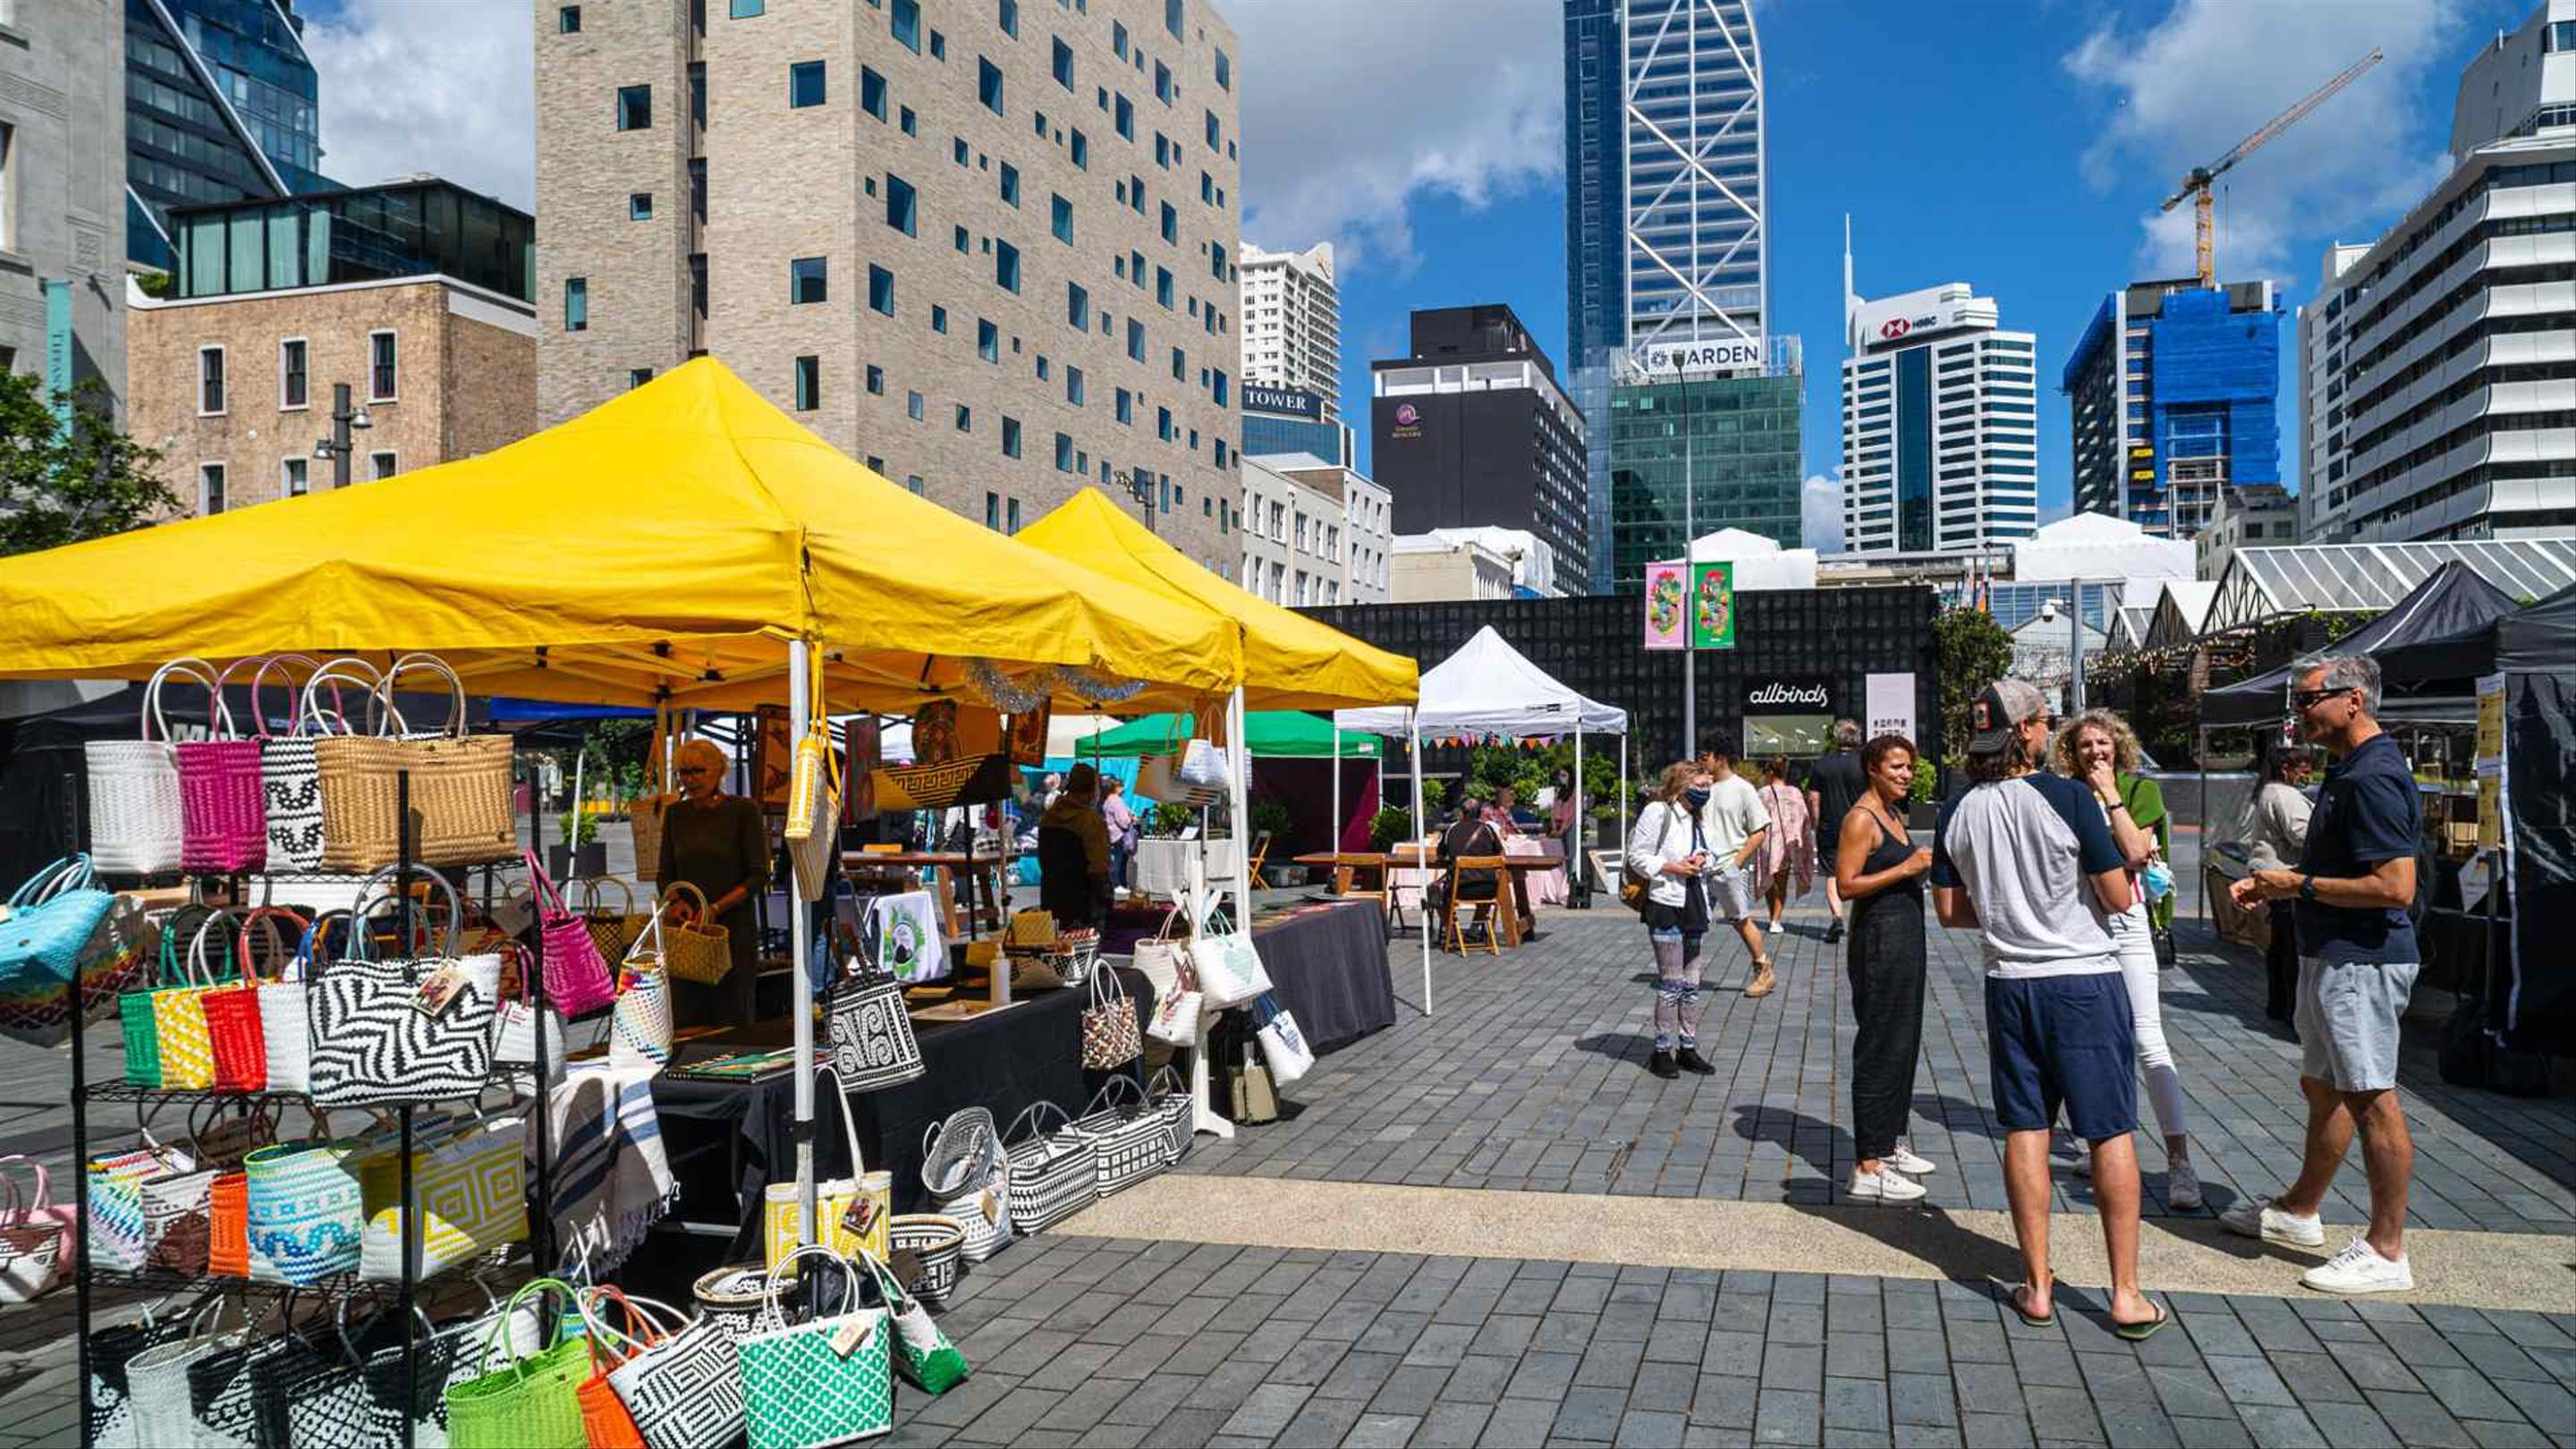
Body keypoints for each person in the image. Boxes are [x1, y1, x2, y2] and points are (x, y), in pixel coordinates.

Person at [1930, 679, 2162, 1338]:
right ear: (2030, 729)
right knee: (2109, 1132)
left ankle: (2036, 1286)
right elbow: (2118, 898)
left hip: (2009, 981)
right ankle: (2125, 1294)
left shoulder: (1957, 810)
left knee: (2025, 1130)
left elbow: (1950, 912)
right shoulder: (2069, 797)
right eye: (2043, 721)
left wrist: (2011, 916)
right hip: (2083, 981)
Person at [2224, 655, 2423, 1294]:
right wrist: (2284, 891)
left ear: (2354, 699)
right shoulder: (2351, 770)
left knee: (2371, 1096)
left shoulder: (2374, 777)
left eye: (2310, 699)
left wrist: (2297, 882)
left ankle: (2387, 1251)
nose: (2300, 712)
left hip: (2361, 961)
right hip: (2331, 954)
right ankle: (2299, 1212)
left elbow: (2396, 887)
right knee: (2326, 1087)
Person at [2052, 710, 2199, 1212]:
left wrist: (2110, 795)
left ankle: (2180, 1160)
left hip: (2128, 921)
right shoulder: (2063, 792)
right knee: (2092, 1041)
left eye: (2104, 744)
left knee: (2147, 1038)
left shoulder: (2140, 792)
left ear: (2119, 748)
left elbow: (2136, 851)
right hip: (2079, 922)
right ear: (2071, 751)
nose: (2095, 752)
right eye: (2086, 745)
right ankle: (2104, 1144)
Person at [1835, 734, 1937, 1201]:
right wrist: (1906, 868)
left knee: (1903, 1040)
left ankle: (1889, 1142)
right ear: (1872, 768)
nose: (1905, 774)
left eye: (1909, 768)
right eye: (1896, 766)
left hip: (1904, 939)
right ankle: (1867, 1164)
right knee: (1879, 1046)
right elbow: (1847, 884)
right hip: (1879, 942)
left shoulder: (1894, 814)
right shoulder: (1861, 818)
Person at [657, 737, 768, 1029]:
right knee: (687, 1017)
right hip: (687, 934)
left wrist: (716, 908)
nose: (690, 779)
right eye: (683, 772)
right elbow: (665, 873)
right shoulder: (675, 814)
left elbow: (758, 874)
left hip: (733, 930)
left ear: (718, 771)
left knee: (731, 1017)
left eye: (697, 771)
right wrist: (676, 901)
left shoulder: (744, 811)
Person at [1627, 761, 1719, 1079]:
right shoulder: (1658, 812)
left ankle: (1688, 1047)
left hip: (1695, 901)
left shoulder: (1698, 816)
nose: (1706, 792)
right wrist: (1672, 867)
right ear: (1682, 785)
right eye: (1701, 786)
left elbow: (1714, 852)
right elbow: (1637, 856)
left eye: (1709, 786)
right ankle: (1661, 1050)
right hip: (1666, 902)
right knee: (1671, 983)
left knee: (1692, 984)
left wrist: (1703, 859)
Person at [1695, 737, 1776, 997]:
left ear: (1720, 758)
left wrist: (1736, 862)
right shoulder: (1702, 787)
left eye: (1705, 756)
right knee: (1694, 921)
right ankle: (1686, 971)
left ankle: (1764, 971)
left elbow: (1760, 830)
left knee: (1740, 920)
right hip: (1700, 868)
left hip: (1728, 867)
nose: (1701, 761)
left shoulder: (1743, 789)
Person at [2243, 744, 2316, 1024]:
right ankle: (2288, 1007)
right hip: (2285, 875)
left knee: (2280, 944)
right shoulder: (2283, 794)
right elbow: (2301, 834)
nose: (2307, 774)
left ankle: (2279, 1004)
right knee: (2288, 947)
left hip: (2274, 875)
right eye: (2303, 768)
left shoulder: (2270, 791)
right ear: (2287, 769)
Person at [1806, 721, 1867, 945]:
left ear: (1836, 738)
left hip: (1830, 827)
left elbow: (1814, 799)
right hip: (1861, 826)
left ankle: (1837, 917)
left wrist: (1816, 822)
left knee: (1832, 873)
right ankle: (1861, 920)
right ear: (1857, 738)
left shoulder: (1822, 765)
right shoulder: (1864, 763)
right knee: (1863, 870)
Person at [1037, 763, 1113, 929]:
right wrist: (1106, 898)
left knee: (1056, 950)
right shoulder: (1090, 821)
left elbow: (1044, 860)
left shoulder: (1049, 816)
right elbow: (1099, 867)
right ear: (1091, 792)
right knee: (1084, 952)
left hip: (1051, 898)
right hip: (1083, 906)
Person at [1428, 788, 1504, 945]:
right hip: (1489, 889)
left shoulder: (1451, 830)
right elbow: (1501, 855)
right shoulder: (1488, 830)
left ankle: (1453, 932)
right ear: (1479, 813)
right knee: (1489, 885)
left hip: (1460, 888)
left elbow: (1440, 855)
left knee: (1433, 890)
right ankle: (1474, 929)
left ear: (1462, 813)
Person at [1754, 757, 1814, 937]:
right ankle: (1775, 919)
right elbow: (1804, 817)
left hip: (1767, 841)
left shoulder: (1762, 793)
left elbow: (1754, 818)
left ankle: (1773, 915)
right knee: (1782, 882)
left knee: (1768, 879)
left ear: (1770, 772)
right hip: (1788, 843)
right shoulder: (1795, 792)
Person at [1548, 766, 1583, 903]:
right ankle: (1560, 886)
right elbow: (1553, 809)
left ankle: (1569, 885)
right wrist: (1553, 826)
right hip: (1558, 827)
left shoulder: (1574, 792)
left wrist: (1562, 828)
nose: (1561, 778)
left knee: (1570, 856)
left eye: (1564, 775)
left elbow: (1571, 813)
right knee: (1560, 856)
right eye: (1560, 775)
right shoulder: (1559, 791)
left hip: (1569, 827)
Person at [1099, 775, 1139, 894]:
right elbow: (1123, 821)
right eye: (1119, 785)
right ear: (1115, 787)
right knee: (1119, 861)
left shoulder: (1107, 800)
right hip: (1118, 835)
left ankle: (1115, 883)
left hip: (1110, 835)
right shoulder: (1116, 800)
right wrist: (1131, 818)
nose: (1123, 787)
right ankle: (1117, 884)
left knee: (1116, 860)